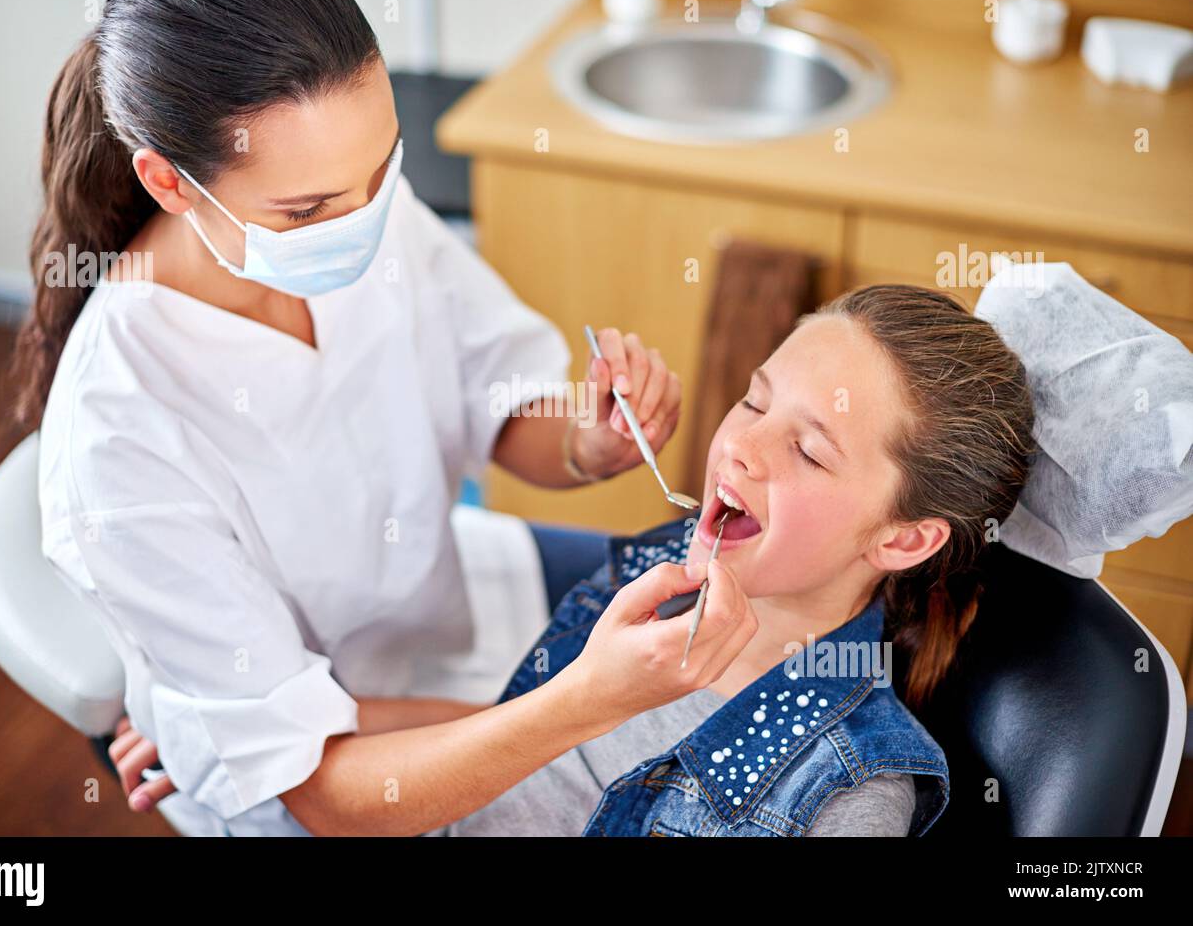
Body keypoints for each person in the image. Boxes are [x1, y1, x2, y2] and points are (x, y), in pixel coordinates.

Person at [20, 0, 754, 837]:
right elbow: (325, 785)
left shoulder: (355, 196)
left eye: (382, 168)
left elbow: (501, 403)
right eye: (308, 209)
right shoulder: (118, 436)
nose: (365, 220)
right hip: (336, 781)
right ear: (171, 183)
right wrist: (584, 704)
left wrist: (582, 443)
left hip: (440, 620)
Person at [123, 284, 1036, 836]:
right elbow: (525, 734)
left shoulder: (853, 792)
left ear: (905, 538)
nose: (743, 450)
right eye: (755, 403)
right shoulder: (665, 577)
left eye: (810, 450)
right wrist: (287, 733)